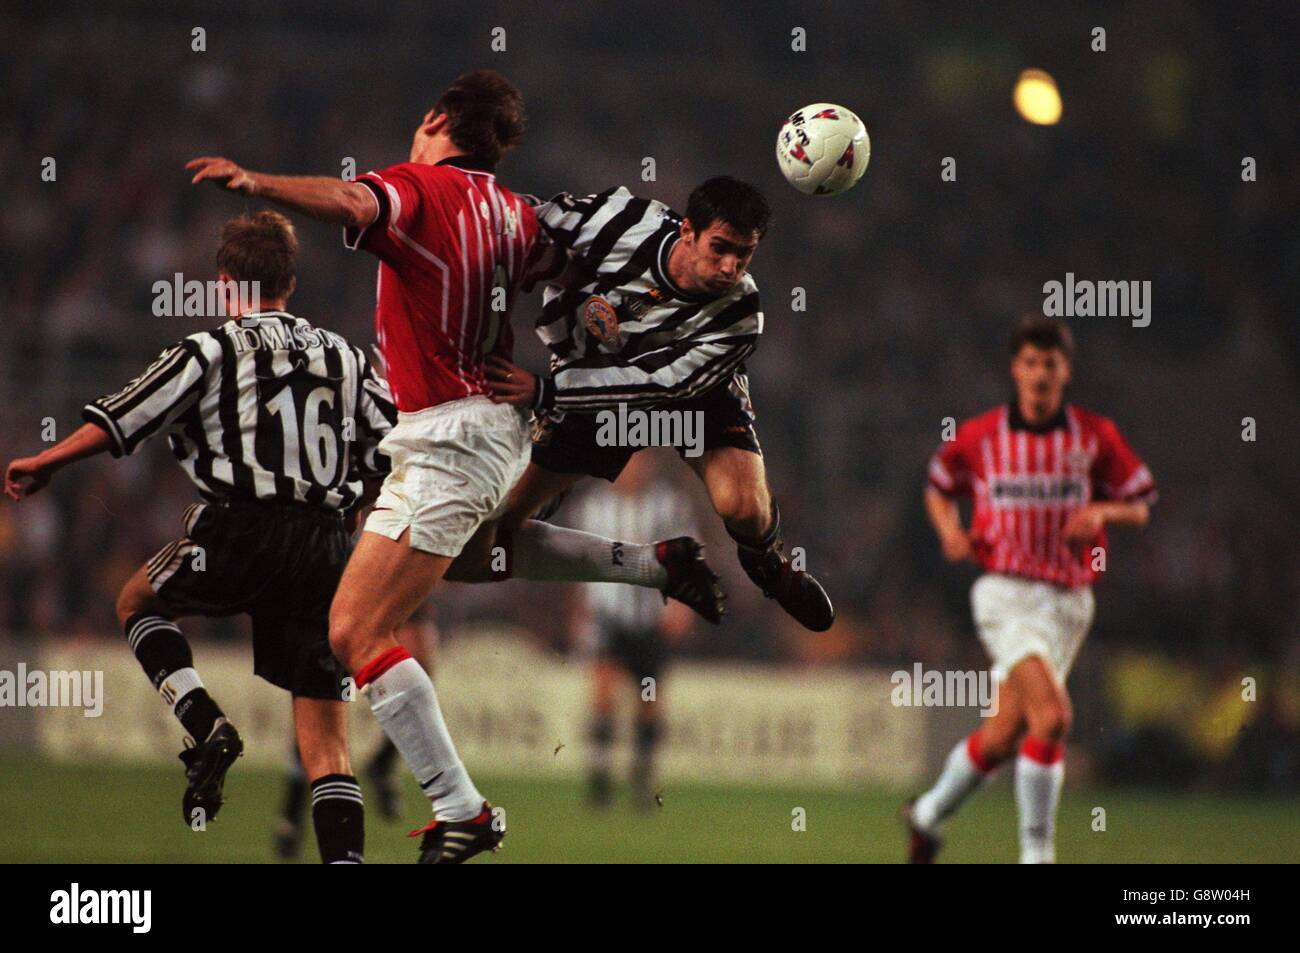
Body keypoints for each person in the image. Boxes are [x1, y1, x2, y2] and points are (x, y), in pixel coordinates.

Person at [187, 70, 721, 862]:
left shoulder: (421, 188)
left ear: (437, 119)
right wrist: (579, 365)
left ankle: (463, 808)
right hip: (495, 426)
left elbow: (351, 202)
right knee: (479, 555)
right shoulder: (514, 212)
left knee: (353, 628)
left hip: (447, 435)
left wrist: (256, 181)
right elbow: (577, 278)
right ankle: (654, 563)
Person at [3, 211, 395, 864]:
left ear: (223, 284)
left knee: (137, 601)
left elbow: (126, 415)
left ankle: (205, 723)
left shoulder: (210, 349)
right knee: (326, 740)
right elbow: (393, 440)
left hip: (241, 524)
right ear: (290, 282)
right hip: (326, 543)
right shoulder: (345, 356)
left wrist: (46, 462)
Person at [452, 176, 836, 634]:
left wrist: (546, 393)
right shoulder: (618, 223)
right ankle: (644, 561)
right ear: (687, 231)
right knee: (491, 531)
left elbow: (665, 385)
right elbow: (521, 220)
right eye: (720, 248)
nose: (731, 266)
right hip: (593, 386)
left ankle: (766, 565)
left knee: (742, 506)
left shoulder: (741, 314)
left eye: (744, 254)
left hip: (692, 399)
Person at [903, 317, 1157, 863]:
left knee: (1001, 737)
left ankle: (926, 815)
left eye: (1051, 363)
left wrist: (1100, 511)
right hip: (1005, 594)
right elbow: (939, 486)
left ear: (1065, 371)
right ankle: (1036, 855)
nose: (1041, 373)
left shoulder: (1094, 436)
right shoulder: (980, 435)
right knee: (1054, 717)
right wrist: (950, 531)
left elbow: (1139, 504)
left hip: (1069, 604)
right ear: (1015, 369)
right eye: (1031, 362)